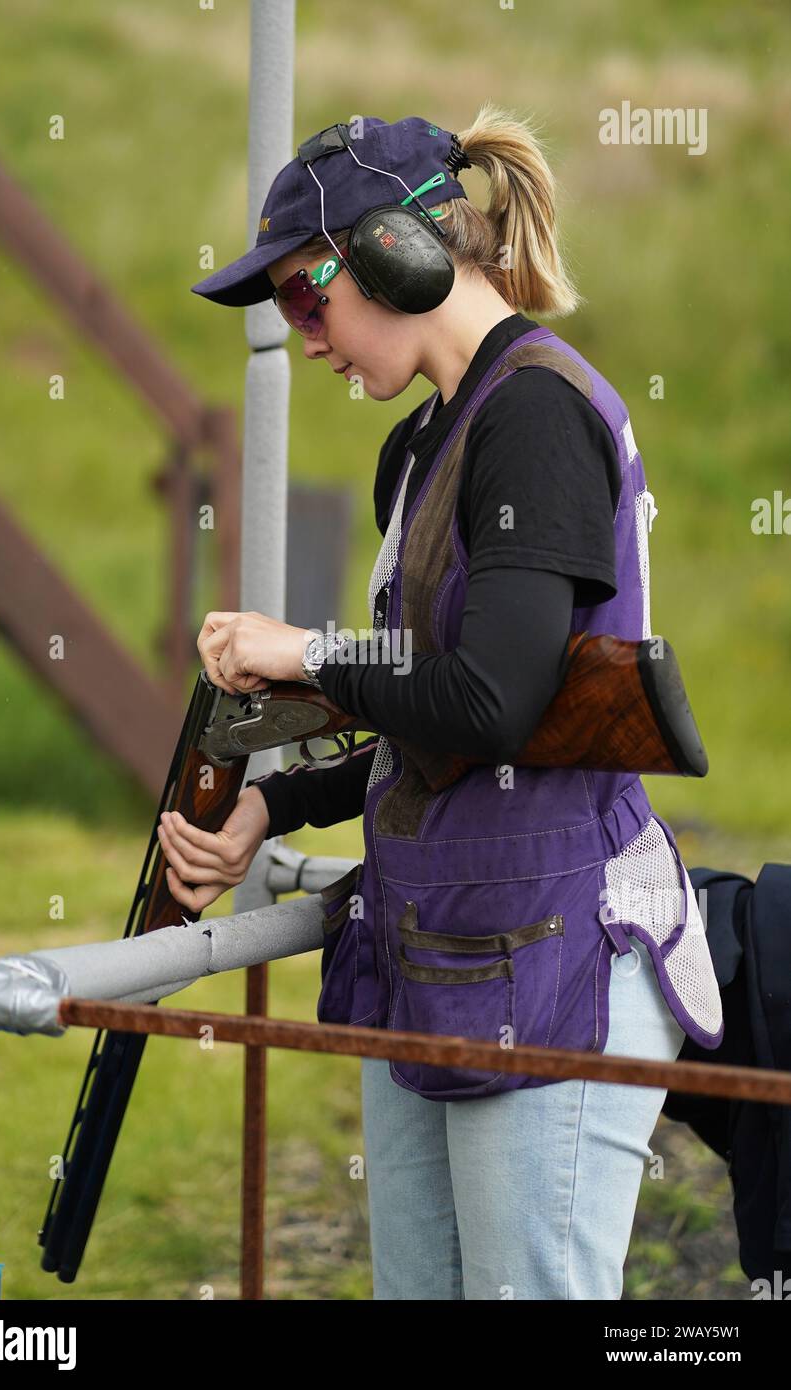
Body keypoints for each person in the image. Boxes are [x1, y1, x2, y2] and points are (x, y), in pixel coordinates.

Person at [158, 106, 724, 1299]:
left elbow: (493, 703)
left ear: (394, 255)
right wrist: (282, 803)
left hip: (556, 950)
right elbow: (420, 711)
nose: (301, 337)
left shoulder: (535, 418)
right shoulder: (419, 446)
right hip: (452, 939)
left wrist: (304, 651)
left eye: (307, 297)